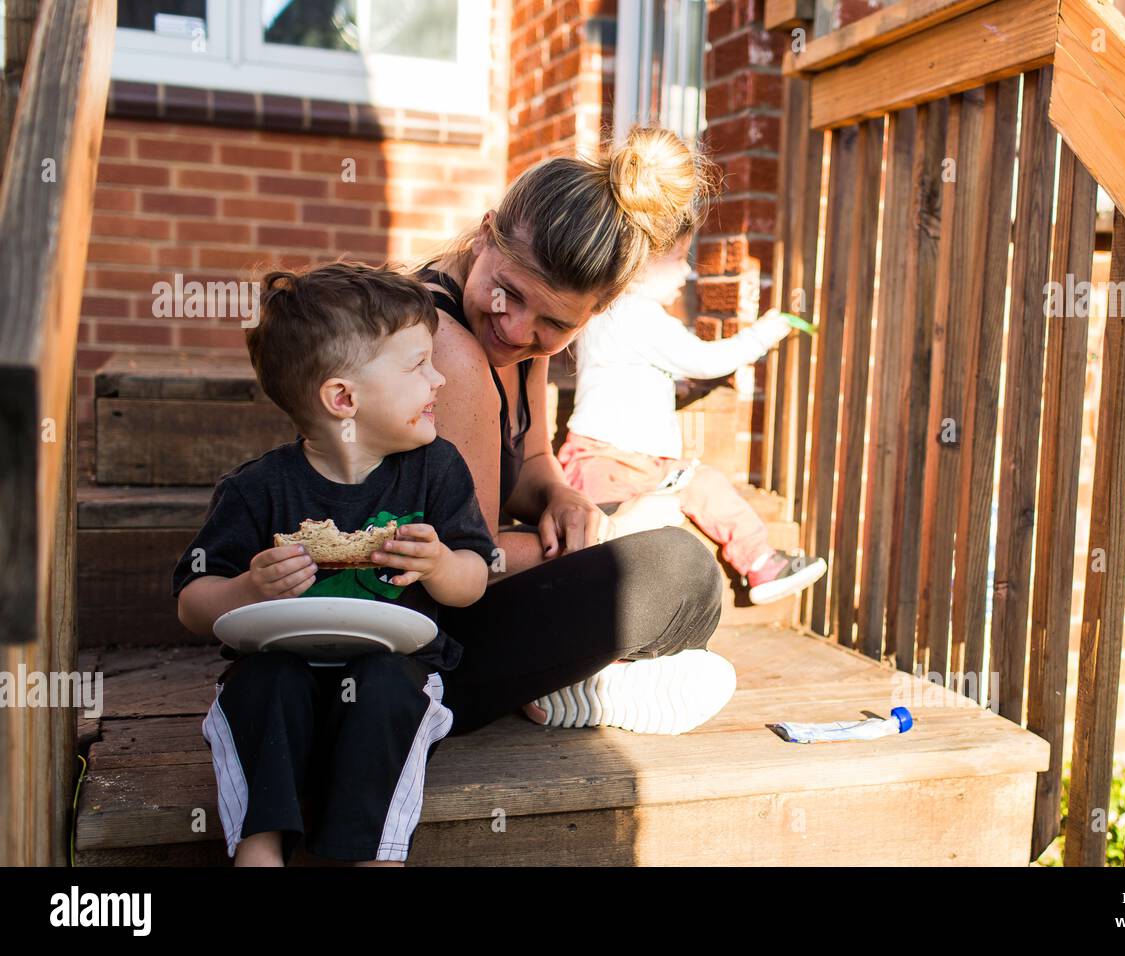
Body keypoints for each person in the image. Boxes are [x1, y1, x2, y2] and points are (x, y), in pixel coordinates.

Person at [412, 125, 735, 736]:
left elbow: (530, 463)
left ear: (598, 312)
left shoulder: (514, 335)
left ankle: (573, 678)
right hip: (419, 637)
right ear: (486, 233)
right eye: (507, 293)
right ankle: (590, 681)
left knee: (681, 574)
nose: (515, 329)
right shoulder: (450, 348)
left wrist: (565, 499)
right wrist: (612, 536)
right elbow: (466, 565)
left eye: (554, 321)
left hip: (462, 601)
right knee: (680, 571)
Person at [173, 263, 496, 866]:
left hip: (390, 675)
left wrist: (439, 564)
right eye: (418, 365)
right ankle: (260, 850)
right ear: (343, 398)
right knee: (263, 683)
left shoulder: (436, 470)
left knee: (386, 686)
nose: (441, 378)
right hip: (282, 675)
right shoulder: (258, 490)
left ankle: (370, 855)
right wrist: (246, 588)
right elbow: (194, 600)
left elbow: (474, 579)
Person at [557, 227, 828, 606]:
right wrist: (763, 335)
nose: (688, 272)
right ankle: (758, 561)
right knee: (603, 532)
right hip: (605, 458)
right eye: (679, 259)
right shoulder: (639, 314)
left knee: (704, 484)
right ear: (639, 267)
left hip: (642, 461)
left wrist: (667, 382)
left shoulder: (607, 311)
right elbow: (705, 360)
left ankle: (763, 564)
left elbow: (625, 367)